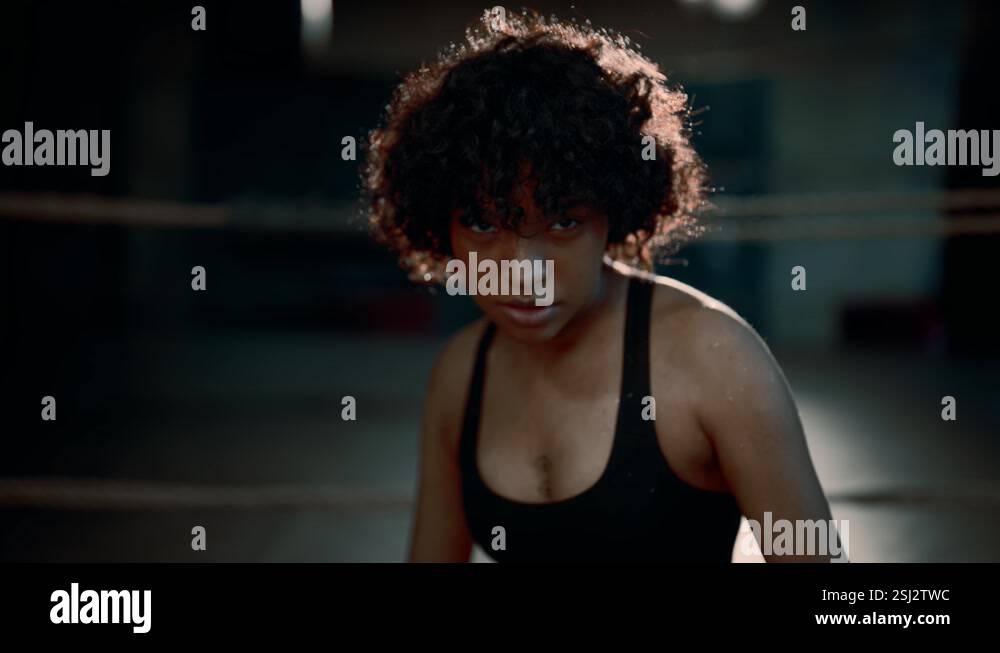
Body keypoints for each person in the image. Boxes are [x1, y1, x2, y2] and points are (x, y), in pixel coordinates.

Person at [363, 9, 837, 562]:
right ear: (441, 223)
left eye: (563, 222)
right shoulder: (462, 373)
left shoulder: (713, 356)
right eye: (484, 224)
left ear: (612, 214)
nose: (523, 272)